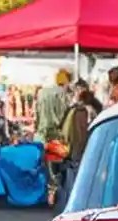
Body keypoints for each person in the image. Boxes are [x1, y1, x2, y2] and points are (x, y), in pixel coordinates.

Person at [58, 82, 103, 210]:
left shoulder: (77, 112)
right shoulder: (92, 112)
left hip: (75, 154)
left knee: (73, 187)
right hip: (86, 153)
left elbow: (69, 134)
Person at [36, 69, 71, 205]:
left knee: (45, 167)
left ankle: (48, 193)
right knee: (57, 167)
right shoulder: (61, 94)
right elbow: (64, 115)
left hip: (41, 135)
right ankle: (56, 195)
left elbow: (37, 115)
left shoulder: (41, 92)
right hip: (57, 135)